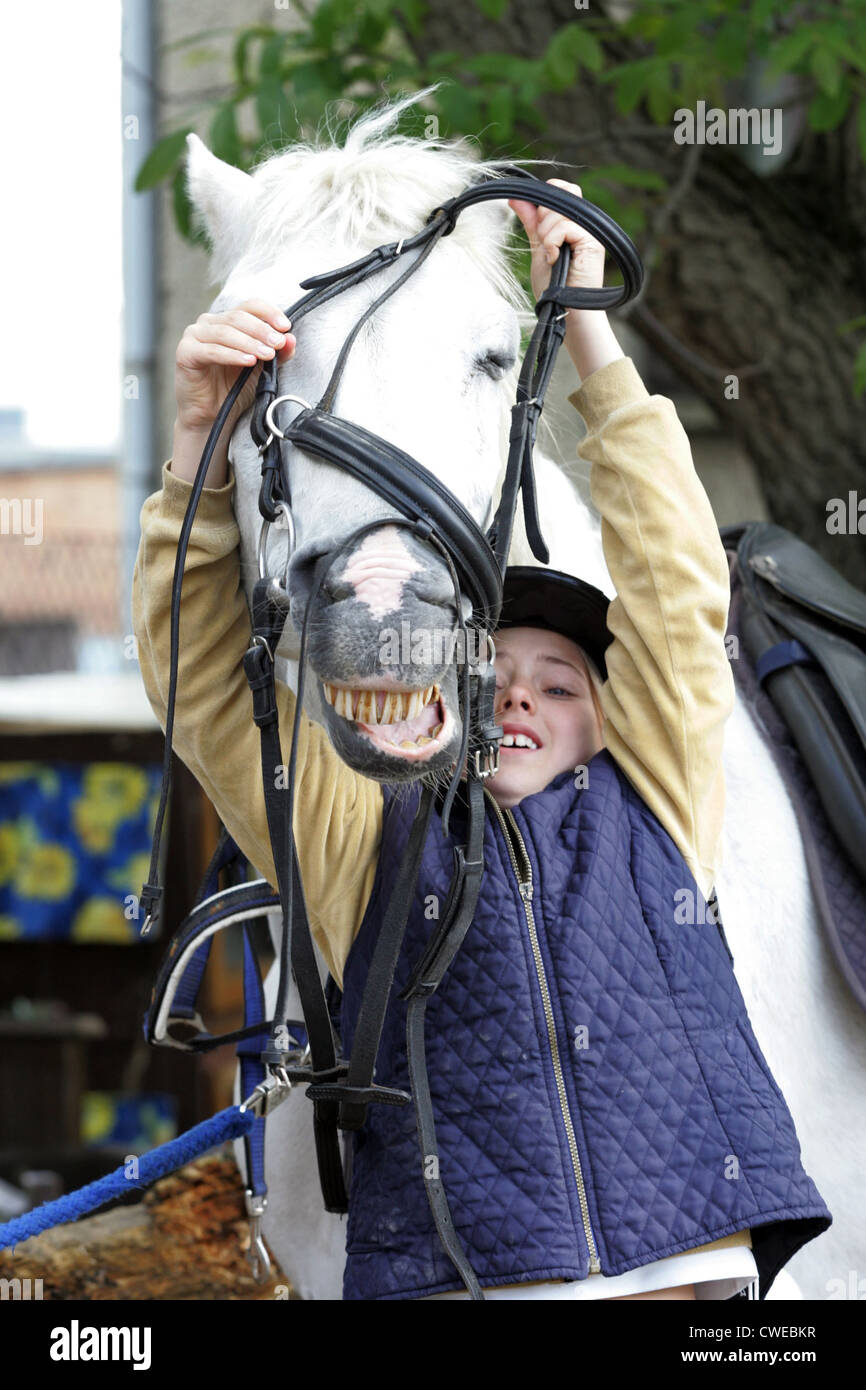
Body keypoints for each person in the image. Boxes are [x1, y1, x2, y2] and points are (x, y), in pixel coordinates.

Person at [131, 178, 831, 1301]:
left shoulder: (659, 802)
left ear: (609, 716)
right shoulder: (359, 846)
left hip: (686, 1283)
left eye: (557, 682)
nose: (519, 698)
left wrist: (588, 327)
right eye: (492, 673)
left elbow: (675, 580)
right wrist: (193, 438)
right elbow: (198, 679)